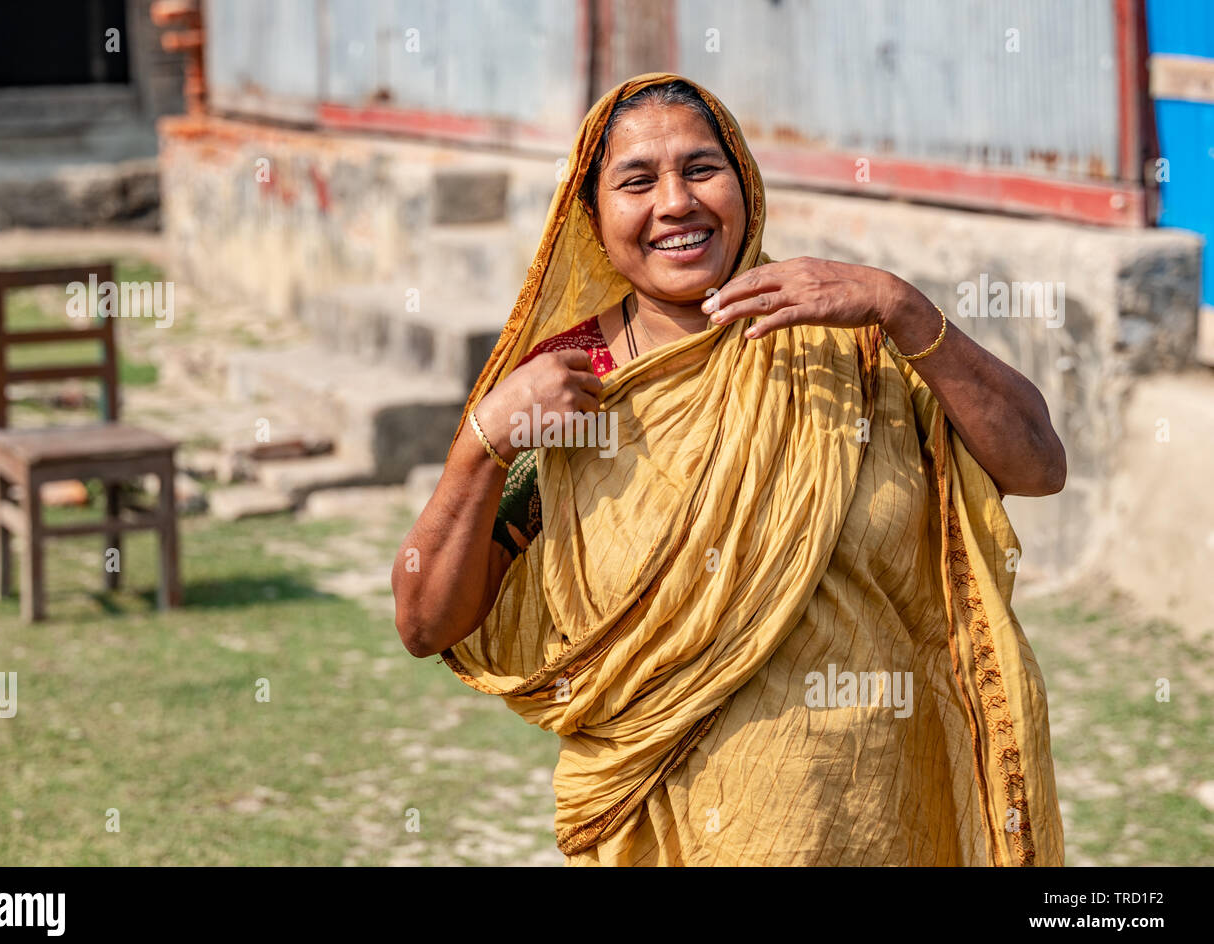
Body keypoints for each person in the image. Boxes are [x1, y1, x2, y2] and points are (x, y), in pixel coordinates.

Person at [392, 72, 1066, 866]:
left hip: (879, 821)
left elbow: (1037, 464)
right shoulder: (571, 388)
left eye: (701, 169)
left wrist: (903, 306)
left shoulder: (851, 335)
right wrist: (481, 444)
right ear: (591, 217)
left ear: (744, 182)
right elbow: (426, 622)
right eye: (636, 181)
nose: (675, 203)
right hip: (663, 831)